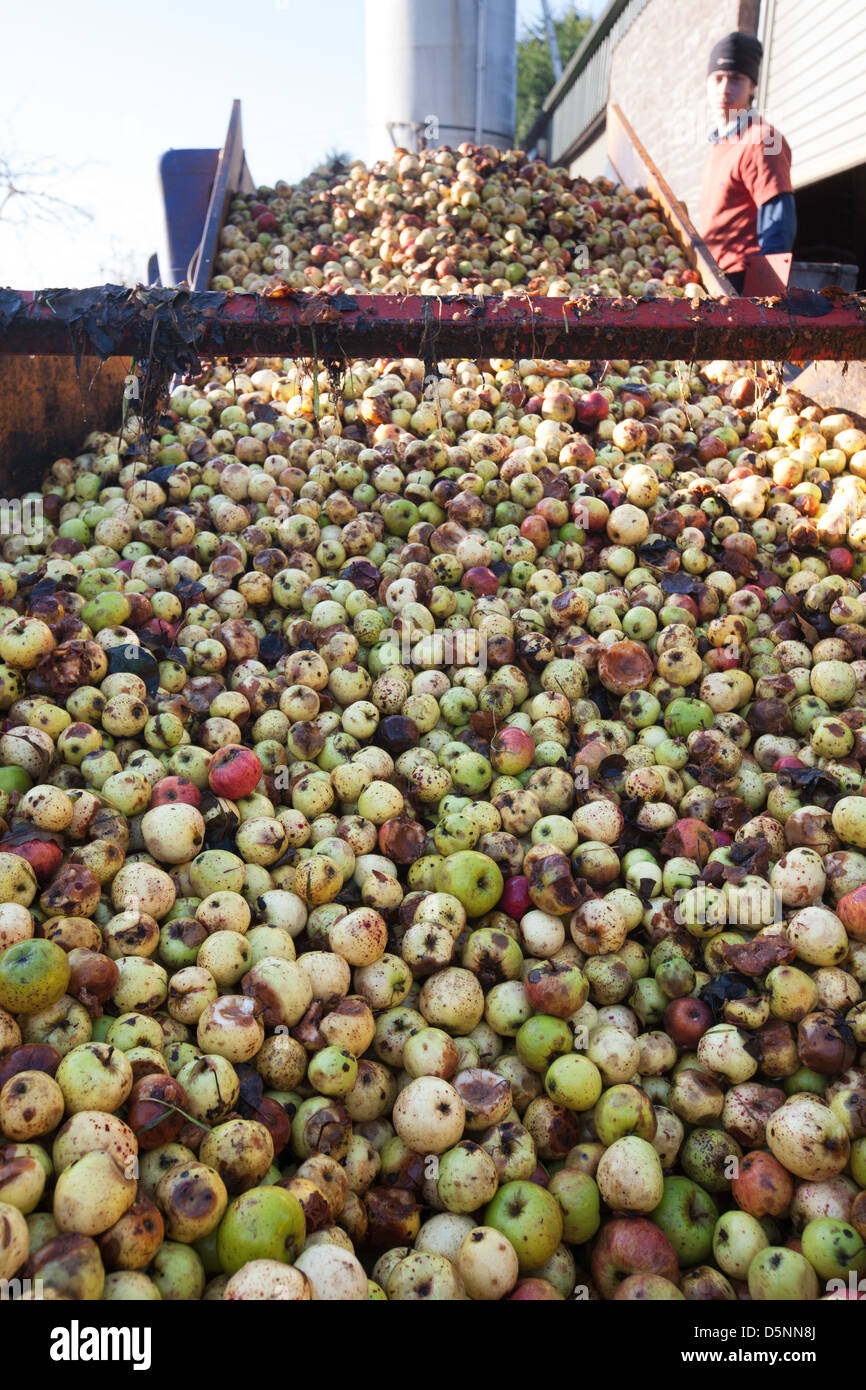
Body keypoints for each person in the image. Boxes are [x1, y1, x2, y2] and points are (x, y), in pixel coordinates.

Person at [699, 31, 796, 293]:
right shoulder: (720, 144)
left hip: (742, 285)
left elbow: (778, 226)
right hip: (714, 283)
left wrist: (764, 304)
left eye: (736, 79)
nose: (725, 89)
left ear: (752, 86)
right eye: (717, 79)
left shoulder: (763, 140)